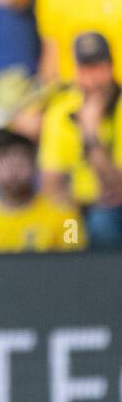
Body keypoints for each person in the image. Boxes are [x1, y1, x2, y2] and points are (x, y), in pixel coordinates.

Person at [39, 32, 122, 248]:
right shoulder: (62, 110)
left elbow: (116, 186)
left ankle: (109, 280)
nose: (93, 79)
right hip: (77, 206)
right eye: (86, 69)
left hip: (114, 211)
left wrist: (91, 134)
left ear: (111, 67)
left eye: (99, 68)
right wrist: (83, 203)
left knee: (102, 222)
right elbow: (51, 186)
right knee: (66, 227)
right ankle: (70, 277)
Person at [0, 130, 87, 252]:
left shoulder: (66, 218)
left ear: (34, 164)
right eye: (3, 162)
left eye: (19, 162)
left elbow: (74, 267)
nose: (12, 172)